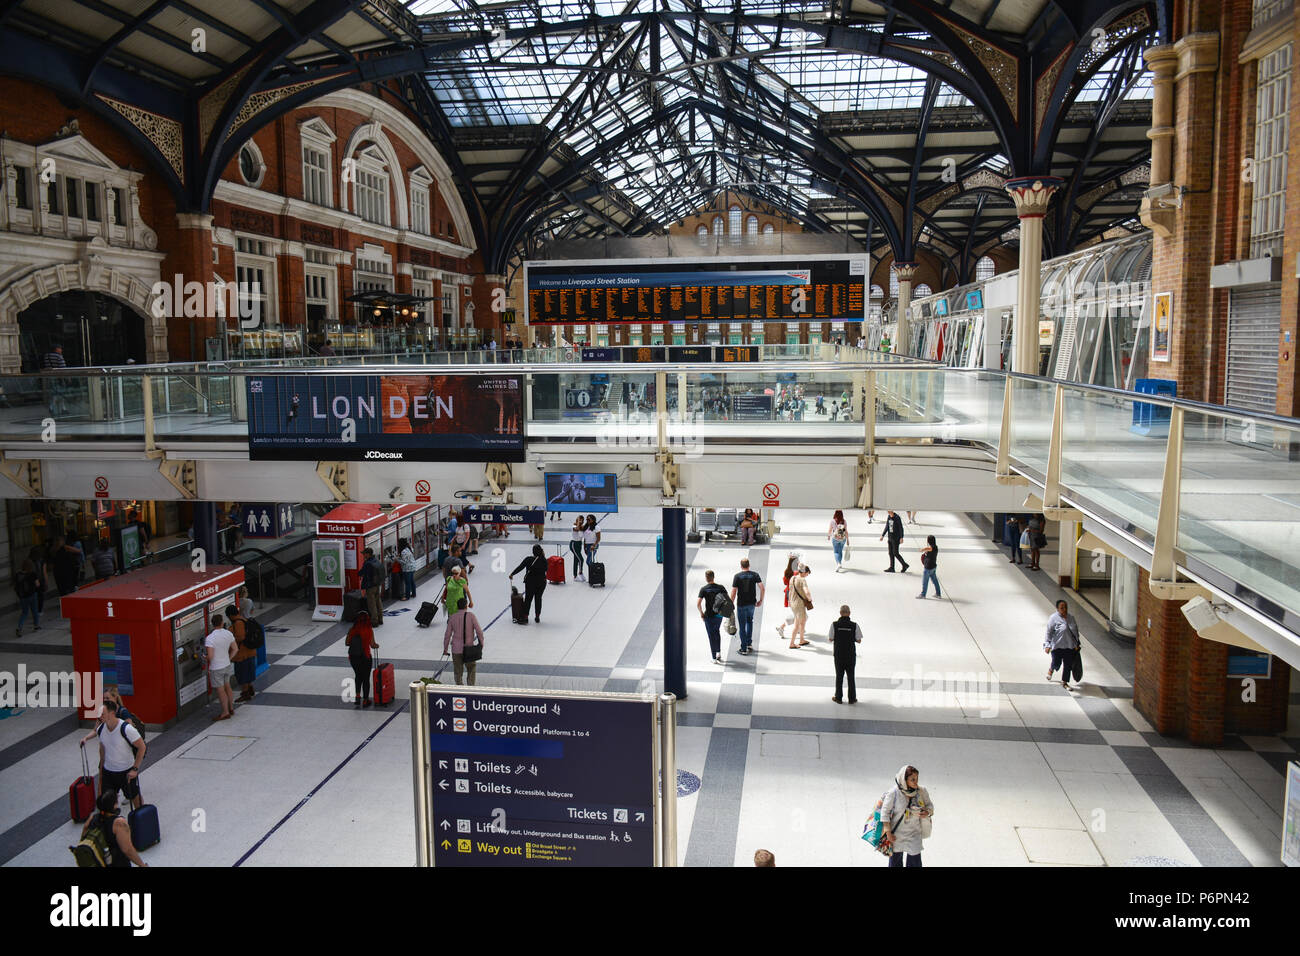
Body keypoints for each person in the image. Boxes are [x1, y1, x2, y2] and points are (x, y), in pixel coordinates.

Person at [85, 698, 146, 810]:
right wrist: (102, 769)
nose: (99, 716)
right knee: (107, 803)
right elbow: (103, 748)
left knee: (135, 799)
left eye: (102, 713)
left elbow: (142, 747)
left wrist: (135, 769)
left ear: (112, 714)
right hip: (109, 772)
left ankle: (141, 820)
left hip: (126, 772)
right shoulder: (101, 729)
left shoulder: (126, 729)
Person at [879, 765, 933, 867]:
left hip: (914, 833)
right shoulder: (893, 793)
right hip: (896, 835)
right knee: (895, 862)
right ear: (904, 780)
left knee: (915, 861)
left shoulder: (921, 791)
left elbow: (930, 806)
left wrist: (927, 812)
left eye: (917, 779)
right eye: (912, 779)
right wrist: (888, 832)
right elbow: (885, 812)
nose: (916, 782)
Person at [83, 792, 148, 868]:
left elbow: (84, 837)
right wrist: (142, 865)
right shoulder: (119, 823)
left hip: (98, 861)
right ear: (114, 805)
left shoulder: (92, 819)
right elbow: (127, 850)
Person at [443, 596, 485, 685]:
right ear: (466, 606)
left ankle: (459, 688)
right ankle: (470, 688)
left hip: (456, 650)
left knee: (458, 672)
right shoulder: (471, 616)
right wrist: (481, 644)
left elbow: (447, 635)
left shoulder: (452, 618)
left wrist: (445, 649)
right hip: (469, 648)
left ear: (457, 607)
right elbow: (479, 632)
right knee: (471, 669)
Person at [1044, 599, 1082, 689]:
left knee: (1067, 665)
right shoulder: (1053, 618)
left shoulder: (1071, 618)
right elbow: (1048, 632)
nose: (1064, 609)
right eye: (1062, 608)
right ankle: (1051, 669)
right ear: (1057, 609)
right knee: (1056, 662)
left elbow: (1075, 632)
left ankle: (1065, 682)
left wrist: (1076, 644)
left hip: (1069, 646)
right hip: (1057, 646)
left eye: (1065, 607)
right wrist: (1047, 645)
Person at [829, 604, 863, 704]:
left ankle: (838, 697)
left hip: (839, 655)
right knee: (851, 676)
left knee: (839, 676)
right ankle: (852, 698)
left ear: (840, 613)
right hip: (850, 655)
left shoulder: (834, 624)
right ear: (849, 613)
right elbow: (859, 640)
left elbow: (830, 638)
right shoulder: (854, 625)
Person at [205, 614, 237, 721]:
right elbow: (235, 649)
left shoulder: (210, 638)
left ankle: (225, 712)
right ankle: (231, 708)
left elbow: (210, 656)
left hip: (216, 667)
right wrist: (229, 658)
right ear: (222, 622)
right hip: (226, 665)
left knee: (221, 690)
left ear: (212, 623)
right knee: (228, 686)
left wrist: (204, 657)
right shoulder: (228, 633)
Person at [729, 558, 764, 656]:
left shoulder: (737, 576)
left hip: (741, 604)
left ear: (741, 566)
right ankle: (749, 643)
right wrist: (761, 600)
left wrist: (731, 604)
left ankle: (743, 648)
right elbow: (762, 588)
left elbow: (733, 592)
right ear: (749, 565)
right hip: (751, 604)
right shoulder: (755, 575)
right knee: (750, 621)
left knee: (742, 625)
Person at [345, 610, 378, 707]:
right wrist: (377, 645)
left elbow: (347, 643)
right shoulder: (369, 629)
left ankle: (357, 697)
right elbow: (372, 645)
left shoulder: (352, 629)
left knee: (358, 676)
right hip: (366, 657)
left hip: (354, 657)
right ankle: (366, 700)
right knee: (366, 679)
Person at [696, 570, 729, 665]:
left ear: (706, 578)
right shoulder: (721, 587)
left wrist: (701, 613)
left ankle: (714, 657)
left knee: (711, 635)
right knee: (717, 632)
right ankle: (718, 653)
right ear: (713, 577)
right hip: (719, 615)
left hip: (709, 615)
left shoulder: (704, 589)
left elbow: (698, 603)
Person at [510, 544, 549, 624]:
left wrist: (512, 574)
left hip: (530, 582)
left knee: (528, 599)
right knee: (538, 599)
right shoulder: (544, 560)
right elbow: (546, 569)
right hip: (541, 583)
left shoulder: (528, 559)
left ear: (533, 552)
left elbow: (520, 567)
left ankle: (525, 617)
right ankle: (537, 617)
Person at [227, 604, 257, 703]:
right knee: (248, 672)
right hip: (250, 651)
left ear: (230, 615)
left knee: (242, 674)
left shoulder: (237, 623)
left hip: (242, 654)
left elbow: (240, 637)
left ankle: (245, 693)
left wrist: (231, 639)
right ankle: (249, 688)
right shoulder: (244, 619)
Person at [775, 553, 799, 642]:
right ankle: (782, 627)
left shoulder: (787, 571)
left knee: (797, 613)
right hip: (796, 595)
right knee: (800, 614)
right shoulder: (797, 572)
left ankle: (799, 628)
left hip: (789, 594)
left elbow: (785, 583)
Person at [788, 565, 813, 649]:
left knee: (803, 621)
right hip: (799, 605)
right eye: (807, 573)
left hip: (793, 603)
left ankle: (802, 639)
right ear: (804, 572)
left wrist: (790, 602)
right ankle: (792, 643)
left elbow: (790, 591)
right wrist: (810, 599)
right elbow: (807, 592)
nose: (807, 575)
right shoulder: (803, 580)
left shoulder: (793, 578)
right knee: (797, 624)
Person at [14, 559, 40, 636]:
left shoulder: (18, 574)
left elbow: (16, 585)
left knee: (24, 613)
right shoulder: (33, 574)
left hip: (22, 597)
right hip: (32, 595)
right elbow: (37, 584)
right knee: (34, 611)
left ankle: (19, 628)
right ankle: (36, 626)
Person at [360, 547, 384, 627]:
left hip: (370, 586)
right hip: (377, 584)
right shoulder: (376, 560)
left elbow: (361, 572)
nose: (363, 555)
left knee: (371, 604)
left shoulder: (367, 563)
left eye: (364, 554)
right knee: (378, 602)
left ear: (368, 554)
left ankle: (374, 621)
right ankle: (380, 619)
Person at [917, 535, 941, 599]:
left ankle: (923, 594)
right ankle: (938, 594)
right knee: (935, 581)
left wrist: (922, 549)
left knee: (925, 582)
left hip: (928, 568)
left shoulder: (932, 548)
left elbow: (929, 549)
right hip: (933, 567)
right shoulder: (935, 547)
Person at [569, 515, 586, 581]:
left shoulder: (582, 527)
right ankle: (580, 573)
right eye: (580, 520)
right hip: (574, 544)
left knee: (576, 559)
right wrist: (578, 522)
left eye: (582, 520)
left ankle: (575, 576)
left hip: (579, 544)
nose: (581, 522)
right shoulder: (574, 526)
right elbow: (577, 529)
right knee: (581, 559)